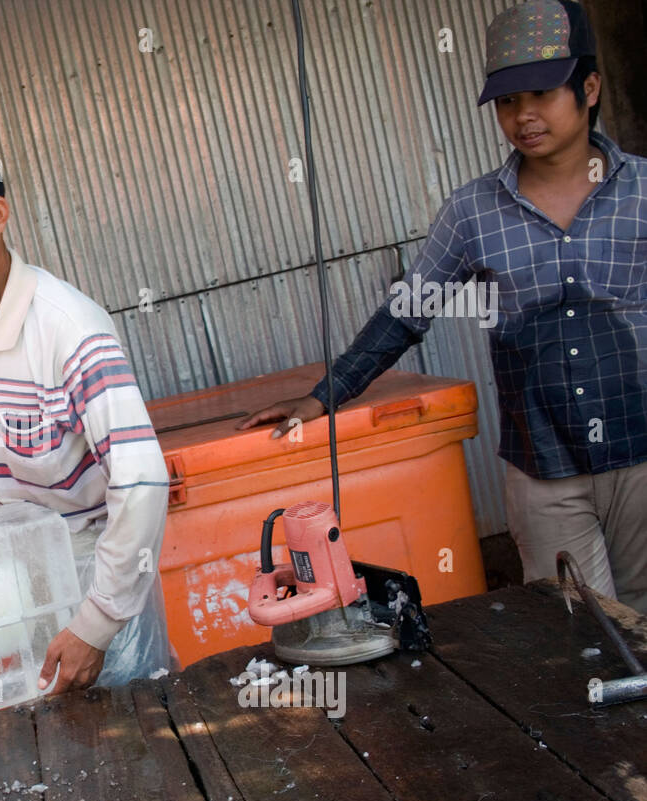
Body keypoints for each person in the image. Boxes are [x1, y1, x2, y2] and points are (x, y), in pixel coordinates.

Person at [239, 0, 647, 614]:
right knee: (583, 632)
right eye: (507, 101)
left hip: (642, 455)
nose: (523, 116)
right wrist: (325, 395)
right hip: (545, 471)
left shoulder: (642, 190)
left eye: (541, 93)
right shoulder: (473, 211)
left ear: (588, 88)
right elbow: (407, 312)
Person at [0, 131, 173, 694]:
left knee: (140, 740)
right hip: (16, 564)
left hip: (98, 567)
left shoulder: (69, 328)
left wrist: (97, 624)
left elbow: (142, 480)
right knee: (55, 743)